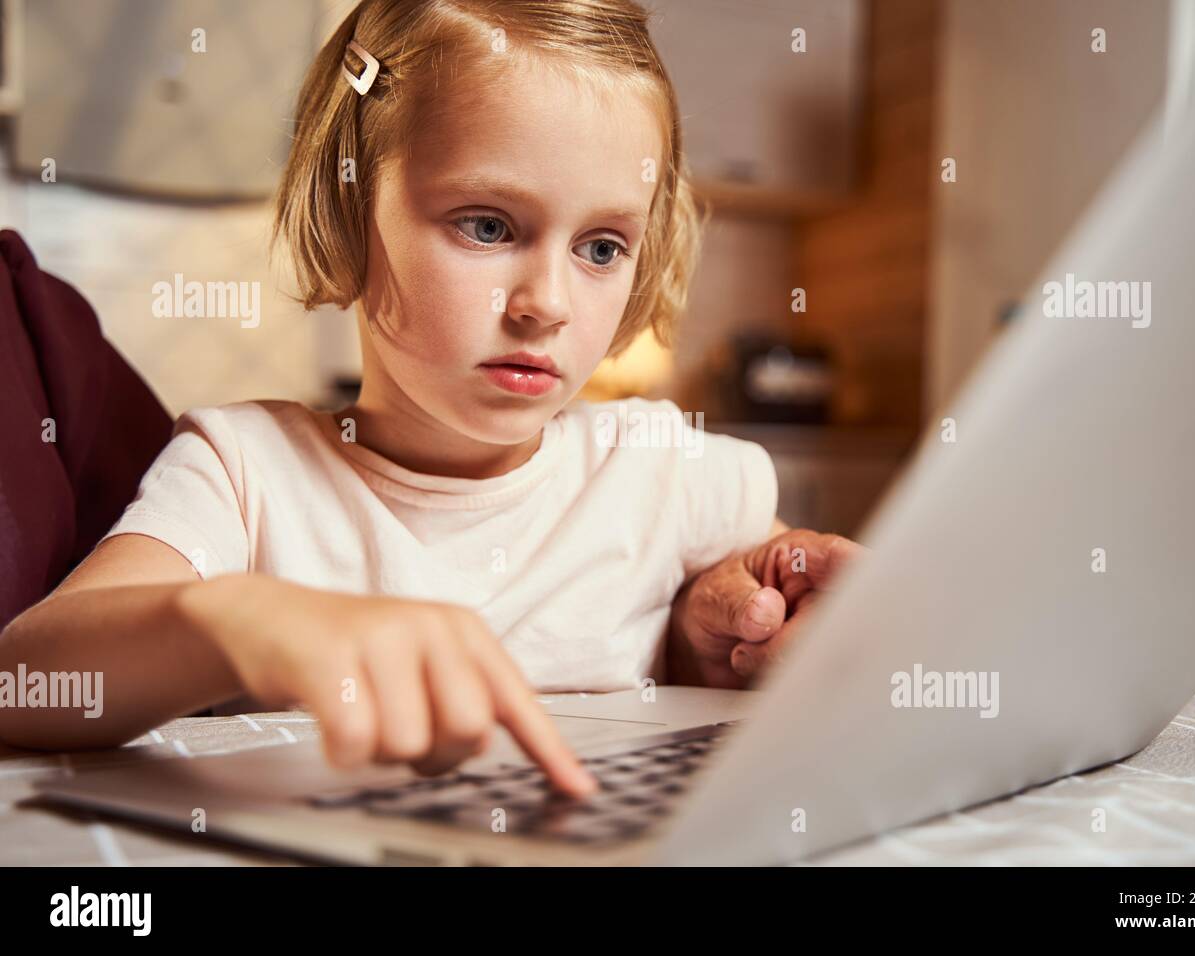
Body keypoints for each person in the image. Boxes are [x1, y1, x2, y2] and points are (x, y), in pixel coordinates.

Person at [0, 0, 858, 796]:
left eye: (601, 247)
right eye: (487, 226)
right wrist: (241, 622)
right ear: (349, 209)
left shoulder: (659, 466)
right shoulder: (247, 471)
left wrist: (779, 624)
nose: (546, 303)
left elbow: (809, 617)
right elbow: (25, 681)